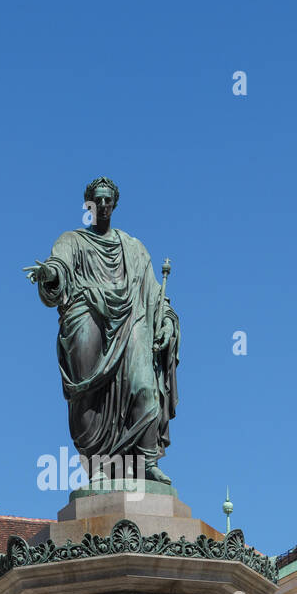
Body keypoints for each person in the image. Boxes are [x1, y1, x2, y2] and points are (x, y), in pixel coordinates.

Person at [25, 177, 180, 484]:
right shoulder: (72, 241)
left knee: (145, 386)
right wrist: (50, 273)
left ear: (115, 203)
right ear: (89, 205)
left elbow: (155, 296)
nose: (104, 205)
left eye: (109, 199)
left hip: (132, 319)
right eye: (98, 200)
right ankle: (98, 464)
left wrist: (164, 321)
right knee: (87, 394)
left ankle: (146, 460)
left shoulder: (134, 249)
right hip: (90, 315)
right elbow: (60, 266)